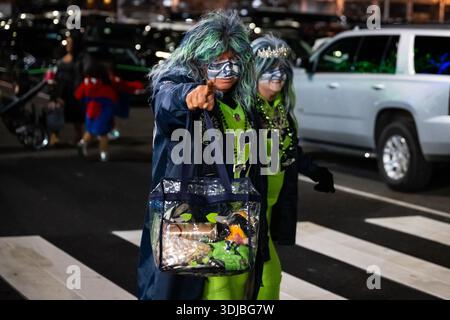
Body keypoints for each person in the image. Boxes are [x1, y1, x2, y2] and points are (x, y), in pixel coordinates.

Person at [138, 10, 269, 300]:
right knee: (183, 291)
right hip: (188, 219)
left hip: (235, 220)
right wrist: (190, 95)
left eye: (234, 62)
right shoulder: (178, 84)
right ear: (197, 61)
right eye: (217, 63)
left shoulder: (243, 102)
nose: (228, 70)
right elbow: (166, 100)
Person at [251, 35, 335, 299]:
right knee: (262, 273)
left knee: (253, 275)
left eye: (282, 70)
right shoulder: (243, 108)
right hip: (246, 206)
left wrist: (315, 171)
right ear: (254, 72)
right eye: (269, 70)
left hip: (272, 204)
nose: (278, 76)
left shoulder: (281, 111)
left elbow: (288, 151)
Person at [74, 55, 117, 162]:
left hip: (90, 110)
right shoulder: (104, 84)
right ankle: (104, 154)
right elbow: (113, 96)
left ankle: (82, 143)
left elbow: (77, 95)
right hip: (102, 111)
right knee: (103, 133)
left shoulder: (86, 82)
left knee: (90, 130)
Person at [48, 34, 84, 145]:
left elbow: (79, 76)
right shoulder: (61, 55)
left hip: (72, 89)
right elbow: (55, 71)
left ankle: (79, 137)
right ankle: (54, 137)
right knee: (55, 112)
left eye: (70, 43)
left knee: (75, 116)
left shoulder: (79, 58)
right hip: (60, 89)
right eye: (67, 42)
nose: (68, 45)